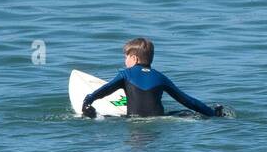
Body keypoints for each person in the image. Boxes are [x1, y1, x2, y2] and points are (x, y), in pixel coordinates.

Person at [81, 37, 230, 118]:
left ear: (134, 58)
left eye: (126, 57)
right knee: (187, 113)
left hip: (134, 120)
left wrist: (88, 101)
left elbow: (105, 90)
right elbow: (187, 100)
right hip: (159, 118)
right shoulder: (160, 77)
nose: (125, 61)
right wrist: (211, 113)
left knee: (104, 117)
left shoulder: (125, 74)